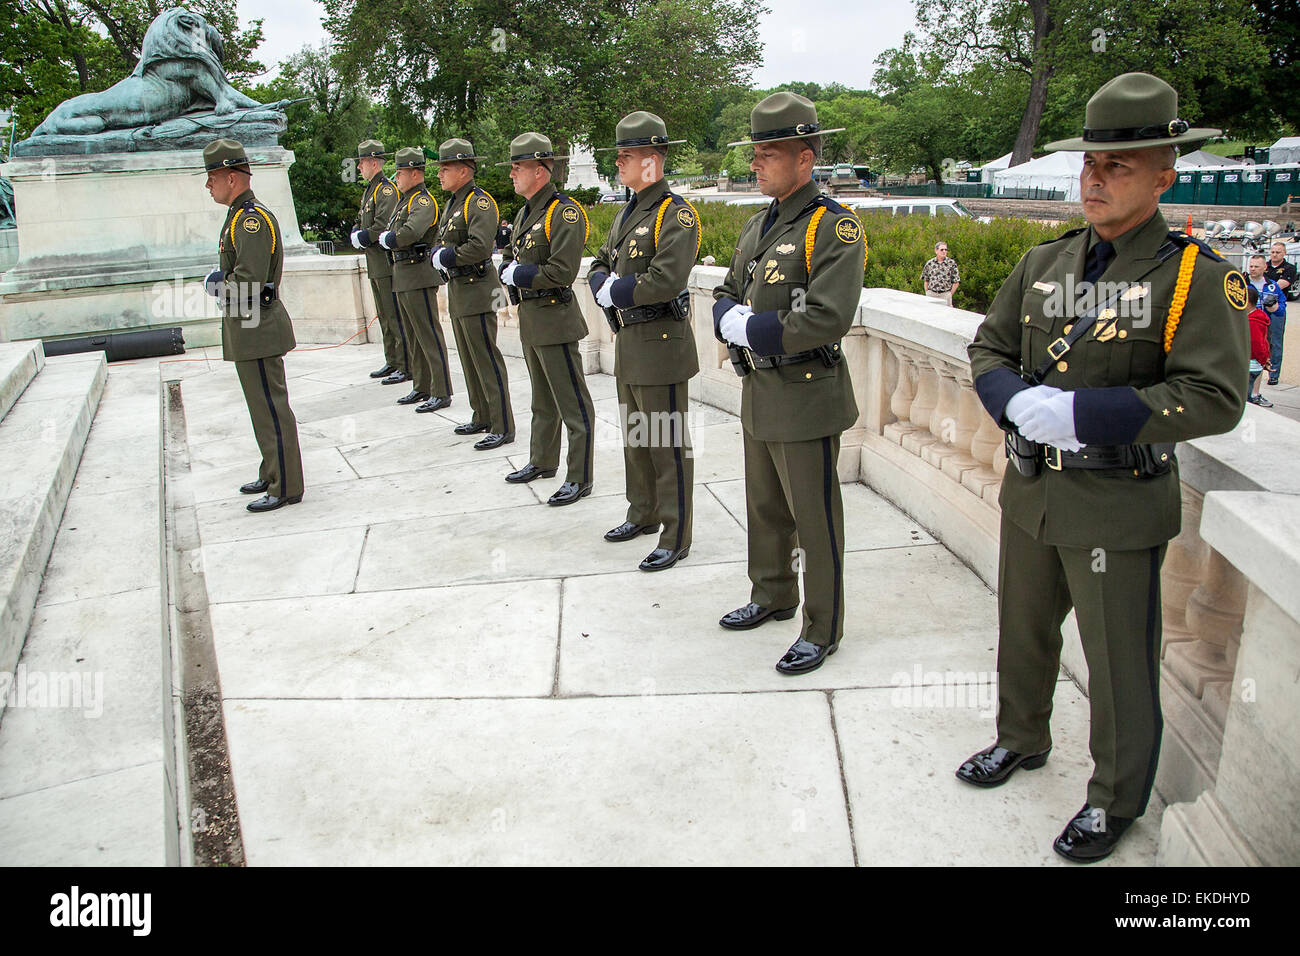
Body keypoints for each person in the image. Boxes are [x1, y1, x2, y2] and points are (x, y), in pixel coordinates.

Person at [959, 72, 1248, 862]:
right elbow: (987, 344)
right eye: (1090, 162)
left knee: (1118, 661)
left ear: (1166, 174)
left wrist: (1085, 414)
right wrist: (1014, 401)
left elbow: (1214, 396)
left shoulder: (1196, 277)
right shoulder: (1046, 262)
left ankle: (1116, 799)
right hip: (1033, 488)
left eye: (1118, 166)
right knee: (1021, 633)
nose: (1095, 178)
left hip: (1116, 500)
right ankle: (1020, 738)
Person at [712, 91, 863, 675]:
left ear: (806, 158)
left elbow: (826, 316)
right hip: (761, 389)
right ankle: (772, 592)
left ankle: (822, 626)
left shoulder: (833, 227)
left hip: (806, 393)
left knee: (814, 517)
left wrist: (753, 327)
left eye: (769, 153)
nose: (757, 162)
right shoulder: (758, 224)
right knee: (766, 506)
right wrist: (727, 316)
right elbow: (728, 287)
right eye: (755, 153)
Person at [588, 111, 701, 571]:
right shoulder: (629, 210)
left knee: (667, 443)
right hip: (631, 339)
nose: (619, 163)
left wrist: (614, 288)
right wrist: (600, 279)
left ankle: (676, 534)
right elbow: (600, 258)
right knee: (637, 436)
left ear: (652, 160)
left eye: (626, 155)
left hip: (661, 341)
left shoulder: (676, 214)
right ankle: (643, 512)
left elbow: (666, 278)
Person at [199, 138, 304, 513]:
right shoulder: (239, 217)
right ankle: (272, 471)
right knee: (261, 408)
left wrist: (217, 285)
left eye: (212, 177)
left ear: (232, 177)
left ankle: (286, 485)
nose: (208, 185)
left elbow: (249, 280)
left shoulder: (251, 220)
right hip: (249, 326)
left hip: (257, 326)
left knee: (271, 407)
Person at [497, 132, 597, 505]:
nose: (512, 174)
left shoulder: (563, 212)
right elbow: (511, 252)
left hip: (555, 318)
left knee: (573, 402)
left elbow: (562, 270)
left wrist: (519, 275)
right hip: (532, 318)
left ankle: (580, 475)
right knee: (542, 398)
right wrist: (509, 269)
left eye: (518, 167)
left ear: (540, 171)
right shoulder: (526, 211)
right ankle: (542, 460)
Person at [429, 138, 515, 447]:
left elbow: (480, 246)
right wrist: (440, 256)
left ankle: (502, 425)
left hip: (477, 288)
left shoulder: (478, 202)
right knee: (468, 359)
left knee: (486, 358)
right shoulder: (454, 202)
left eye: (446, 168)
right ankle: (482, 414)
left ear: (464, 170)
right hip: (459, 289)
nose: (440, 174)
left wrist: (447, 256)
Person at [374, 147, 453, 413]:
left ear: (415, 173)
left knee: (428, 334)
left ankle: (440, 391)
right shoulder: (404, 200)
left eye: (400, 172)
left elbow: (409, 232)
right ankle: (422, 385)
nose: (396, 177)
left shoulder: (422, 201)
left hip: (417, 272)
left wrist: (389, 239)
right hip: (403, 273)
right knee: (413, 335)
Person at [348, 139, 410, 385]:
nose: (359, 167)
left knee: (394, 315)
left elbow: (383, 225)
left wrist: (364, 236)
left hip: (385, 263)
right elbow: (363, 220)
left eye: (362, 162)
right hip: (375, 263)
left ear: (374, 162)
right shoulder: (370, 189)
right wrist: (357, 231)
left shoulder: (385, 189)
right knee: (384, 314)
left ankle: (405, 364)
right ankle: (393, 359)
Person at [1245, 253, 1285, 388]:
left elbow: (1281, 308)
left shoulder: (1272, 286)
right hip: (1245, 324)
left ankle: (1262, 385)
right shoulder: (1240, 283)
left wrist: (1274, 307)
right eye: (1251, 266)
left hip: (1264, 324)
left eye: (1256, 266)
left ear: (1264, 267)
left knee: (1266, 351)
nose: (1253, 269)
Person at [1264, 241, 1295, 384]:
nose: (1274, 254)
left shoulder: (1289, 268)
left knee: (1275, 341)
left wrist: (1263, 283)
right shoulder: (1265, 266)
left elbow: (1279, 285)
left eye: (1278, 252)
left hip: (1276, 310)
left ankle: (1274, 374)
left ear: (1284, 253)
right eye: (1273, 252)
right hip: (1261, 307)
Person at [1246, 285, 1273, 407]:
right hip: (1255, 364)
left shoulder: (1253, 322)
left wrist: (1263, 360)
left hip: (1251, 364)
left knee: (1246, 397)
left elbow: (1256, 343)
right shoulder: (1255, 317)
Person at [921, 241, 960, 305]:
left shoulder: (951, 263)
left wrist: (950, 294)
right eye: (942, 250)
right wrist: (927, 292)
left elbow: (956, 281)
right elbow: (926, 279)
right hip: (931, 295)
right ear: (936, 251)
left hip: (945, 295)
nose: (944, 251)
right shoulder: (930, 263)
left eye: (945, 249)